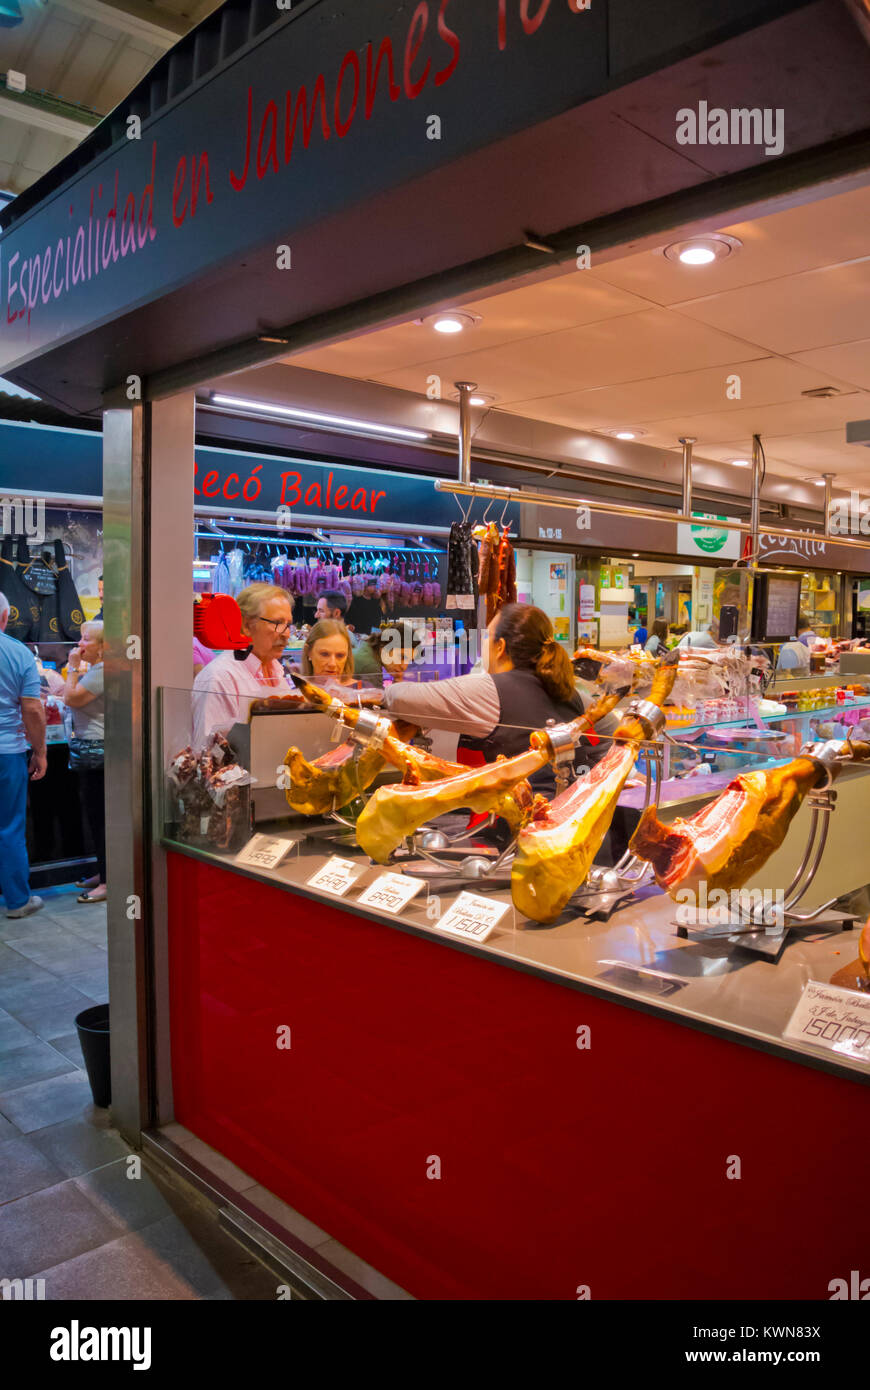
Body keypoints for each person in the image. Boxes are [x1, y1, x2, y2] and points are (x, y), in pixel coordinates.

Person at [379, 604, 617, 788]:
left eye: (486, 637)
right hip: (569, 820)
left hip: (522, 827)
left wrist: (378, 692)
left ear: (500, 647)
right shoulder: (570, 691)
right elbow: (612, 738)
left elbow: (400, 699)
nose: (482, 643)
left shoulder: (491, 689)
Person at [192, 583, 295, 748]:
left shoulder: (276, 670)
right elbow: (207, 752)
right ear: (247, 626)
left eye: (288, 624)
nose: (286, 634)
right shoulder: (220, 678)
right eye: (277, 623)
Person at [0, 593, 47, 919]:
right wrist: (41, 752)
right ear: (4, 618)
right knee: (9, 827)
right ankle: (17, 902)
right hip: (7, 753)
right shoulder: (18, 653)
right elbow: (32, 707)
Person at [63, 620, 107, 903]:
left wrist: (71, 667)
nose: (79, 645)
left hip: (98, 752)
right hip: (94, 751)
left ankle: (108, 880)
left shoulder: (103, 670)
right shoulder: (98, 670)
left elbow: (71, 698)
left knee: (102, 818)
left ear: (104, 647)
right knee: (95, 815)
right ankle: (104, 872)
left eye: (86, 639)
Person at [300, 619, 359, 686]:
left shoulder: (363, 691)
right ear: (308, 652)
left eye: (340, 655)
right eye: (324, 654)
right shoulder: (293, 691)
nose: (332, 664)